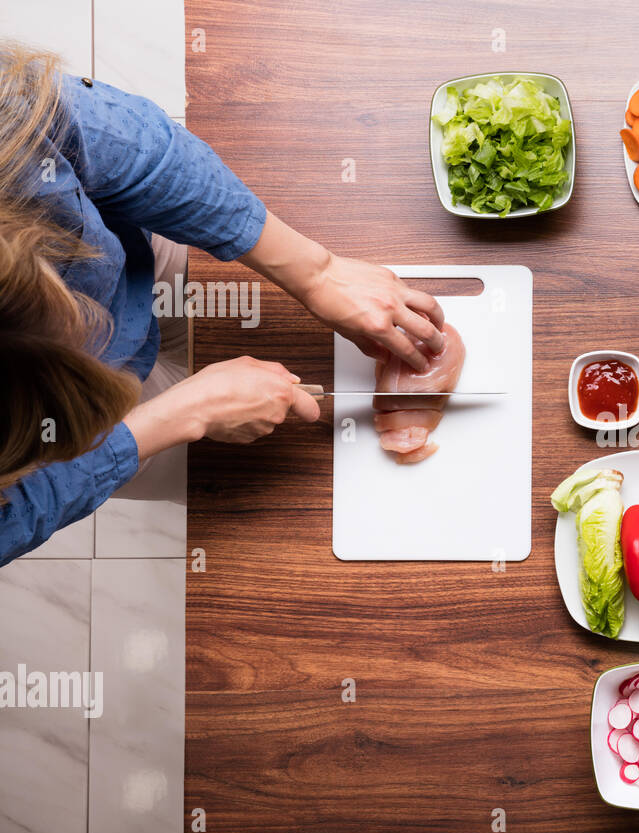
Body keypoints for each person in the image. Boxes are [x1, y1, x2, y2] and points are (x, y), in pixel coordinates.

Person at [0, 46, 445, 564]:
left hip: (130, 261)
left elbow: (134, 150)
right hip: (70, 438)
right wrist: (180, 417)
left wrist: (316, 272)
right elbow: (17, 513)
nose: (90, 331)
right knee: (230, 483)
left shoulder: (8, 131)